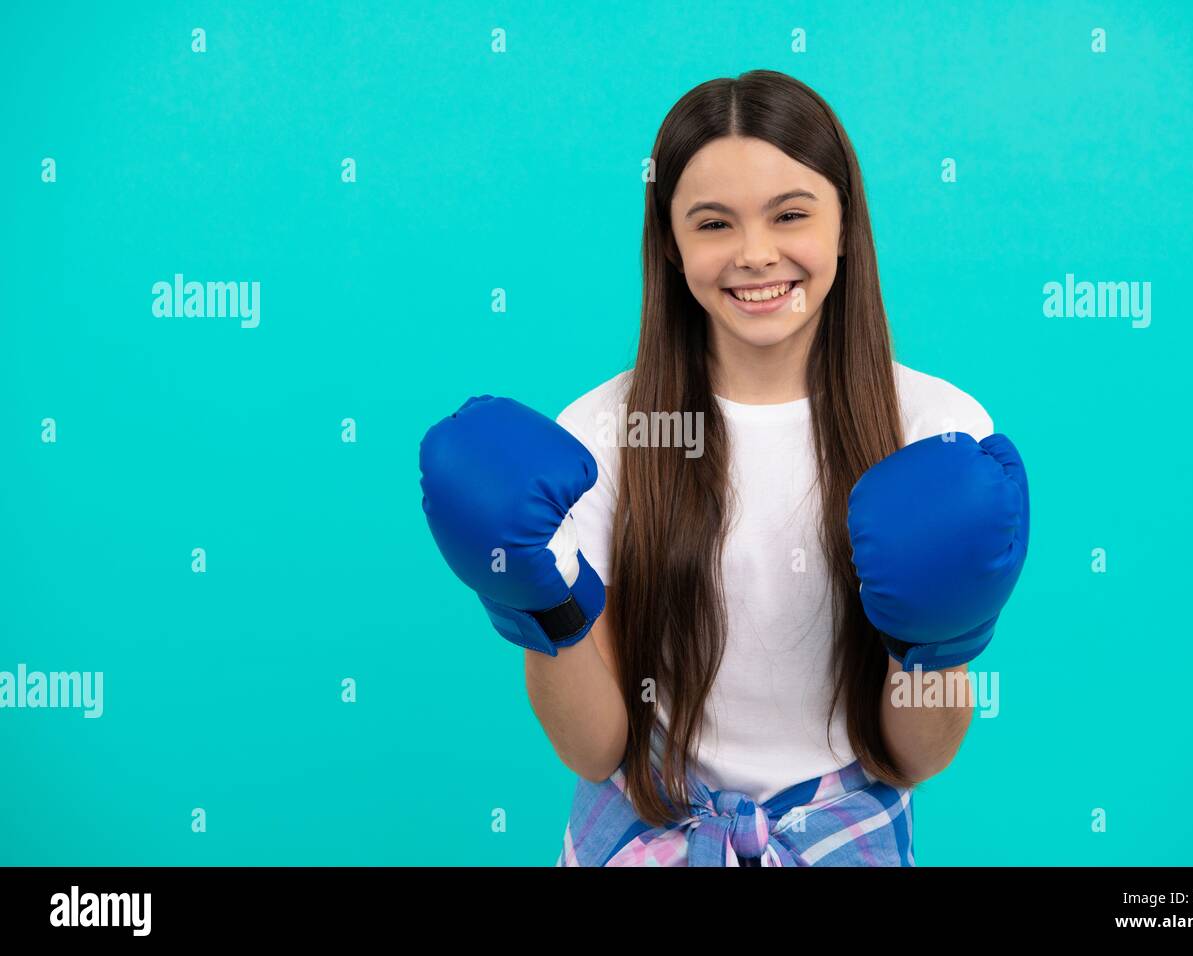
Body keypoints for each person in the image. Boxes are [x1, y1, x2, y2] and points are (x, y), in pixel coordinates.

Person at [419, 70, 1029, 867]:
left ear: (845, 224)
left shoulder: (934, 433)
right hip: (647, 833)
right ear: (671, 245)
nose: (755, 254)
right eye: (713, 223)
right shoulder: (600, 435)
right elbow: (596, 749)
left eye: (791, 214)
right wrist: (536, 607)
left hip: (844, 838)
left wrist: (941, 641)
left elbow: (918, 757)